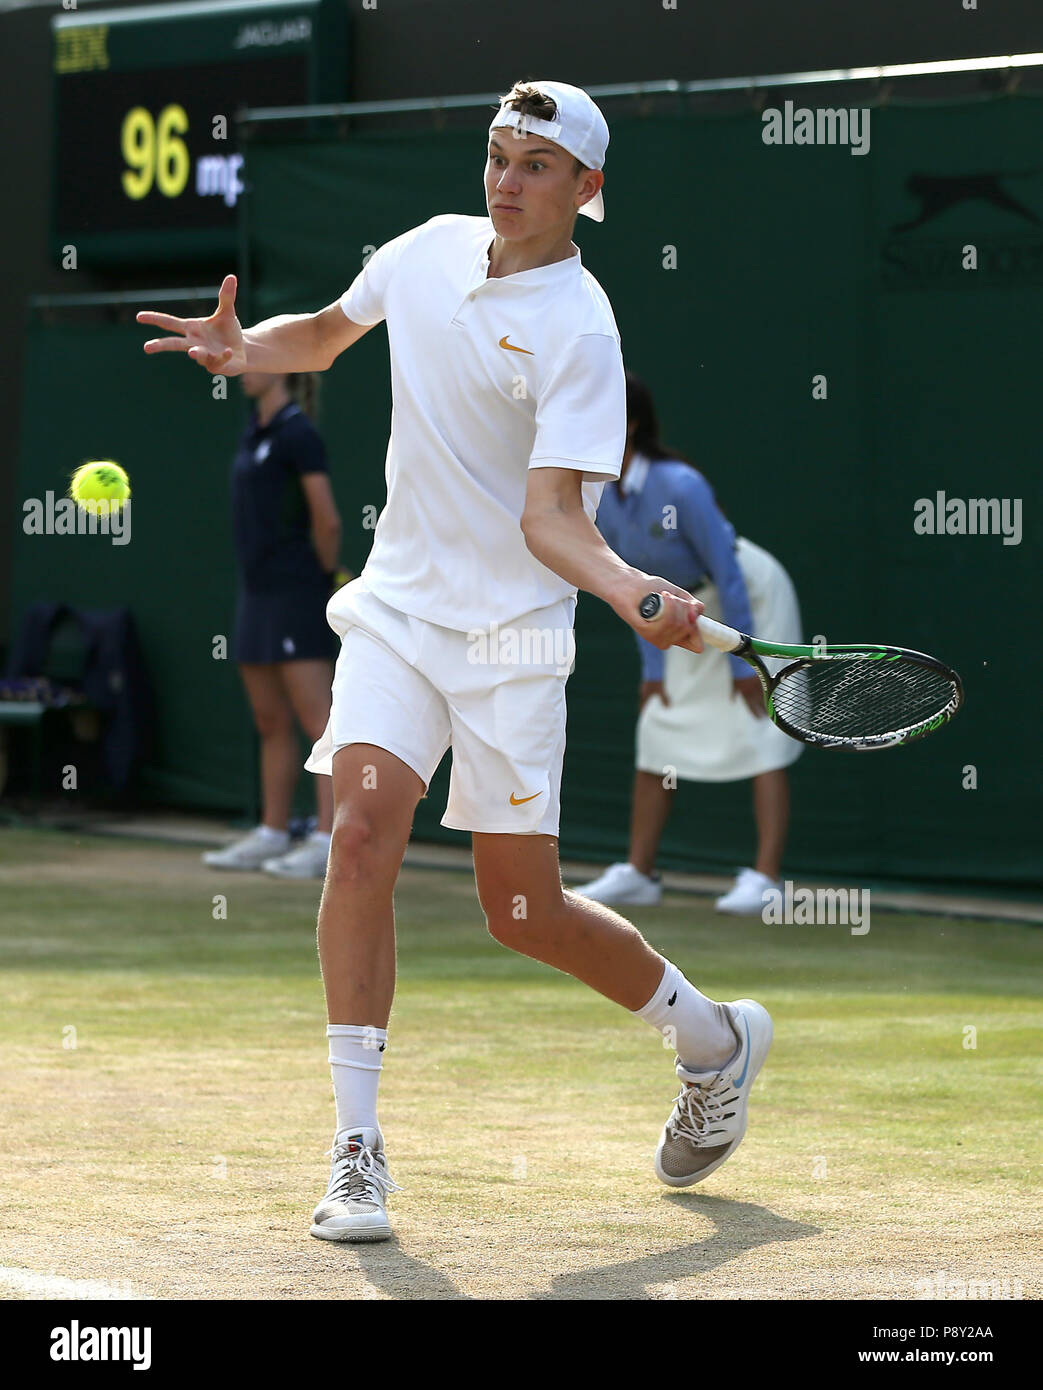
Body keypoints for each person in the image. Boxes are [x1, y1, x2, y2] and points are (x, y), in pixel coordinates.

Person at [137, 79, 773, 1244]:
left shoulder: (582, 326)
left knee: (520, 909)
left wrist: (632, 590)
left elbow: (552, 522)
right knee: (361, 830)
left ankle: (711, 1038)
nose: (505, 179)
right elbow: (327, 330)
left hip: (514, 640)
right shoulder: (425, 251)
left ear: (586, 190)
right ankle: (357, 1150)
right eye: (495, 154)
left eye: (535, 164)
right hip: (397, 611)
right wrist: (243, 348)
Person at [574, 373, 803, 914]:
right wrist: (652, 668)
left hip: (750, 595)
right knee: (658, 724)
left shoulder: (679, 485)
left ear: (629, 426)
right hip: (681, 608)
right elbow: (640, 591)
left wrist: (745, 666)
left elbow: (728, 572)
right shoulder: (598, 496)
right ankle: (640, 872)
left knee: (763, 722)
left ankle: (766, 878)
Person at [202, 370, 347, 880]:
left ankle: (330, 839)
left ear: (284, 366)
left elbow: (327, 520)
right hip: (256, 593)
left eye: (255, 356)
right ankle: (273, 830)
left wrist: (320, 584)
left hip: (297, 592)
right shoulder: (253, 430)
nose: (243, 368)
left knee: (321, 724)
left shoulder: (298, 433)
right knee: (269, 720)